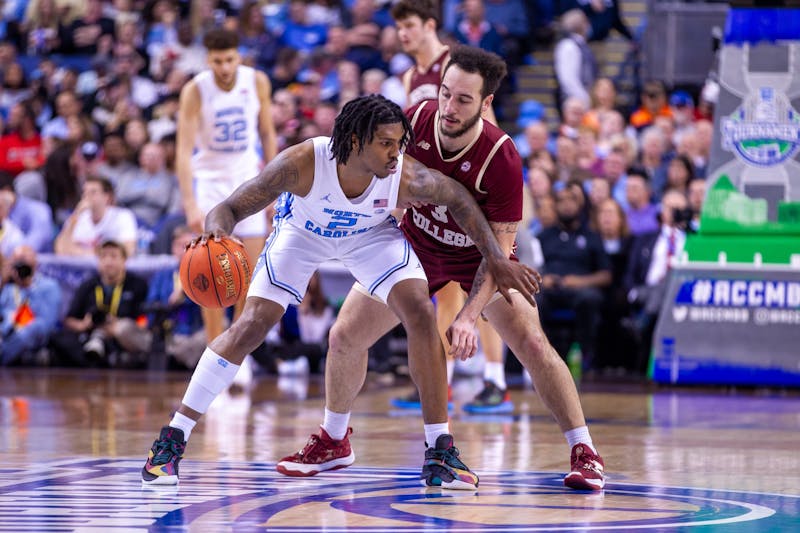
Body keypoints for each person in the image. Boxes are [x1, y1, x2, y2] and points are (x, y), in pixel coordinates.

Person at [141, 94, 539, 488]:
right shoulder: (302, 163)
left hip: (369, 237)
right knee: (253, 323)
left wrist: (497, 258)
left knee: (420, 311)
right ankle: (172, 439)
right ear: (353, 142)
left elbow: (460, 200)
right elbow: (227, 208)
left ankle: (440, 449)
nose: (395, 154)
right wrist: (216, 232)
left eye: (399, 143)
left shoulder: (405, 174)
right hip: (303, 234)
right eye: (385, 143)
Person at [291, 47, 607, 491]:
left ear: (486, 103)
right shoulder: (415, 120)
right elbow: (381, 173)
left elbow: (498, 255)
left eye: (463, 99)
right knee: (344, 335)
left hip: (481, 258)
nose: (449, 107)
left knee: (533, 342)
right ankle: (334, 440)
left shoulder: (502, 158)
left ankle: (585, 451)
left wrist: (466, 316)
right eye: (446, 93)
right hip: (418, 245)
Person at [392, 2, 506, 412]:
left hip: (472, 190)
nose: (403, 35)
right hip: (431, 199)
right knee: (444, 299)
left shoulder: (455, 65)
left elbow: (484, 125)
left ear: (429, 25)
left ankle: (495, 380)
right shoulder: (410, 76)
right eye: (398, 28)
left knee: (487, 291)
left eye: (409, 26)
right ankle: (443, 379)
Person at [176, 28, 278, 348]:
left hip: (249, 180)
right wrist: (191, 203)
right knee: (212, 274)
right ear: (208, 60)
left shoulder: (256, 81)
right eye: (217, 61)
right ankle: (212, 348)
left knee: (247, 275)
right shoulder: (195, 90)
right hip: (210, 182)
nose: (224, 67)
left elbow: (268, 135)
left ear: (239, 57)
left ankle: (236, 351)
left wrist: (276, 188)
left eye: (229, 60)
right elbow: (182, 150)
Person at [49, 240, 150, 367]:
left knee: (124, 330)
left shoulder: (137, 285)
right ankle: (99, 358)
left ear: (124, 260)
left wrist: (116, 324)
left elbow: (144, 321)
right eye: (103, 256)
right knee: (57, 337)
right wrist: (82, 325)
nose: (108, 262)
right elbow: (69, 319)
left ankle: (102, 357)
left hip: (122, 334)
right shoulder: (88, 285)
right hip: (90, 332)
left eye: (113, 256)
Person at [0, 245, 62, 365]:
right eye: (17, 258)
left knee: (28, 330)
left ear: (35, 261)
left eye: (24, 257)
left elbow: (47, 322)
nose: (21, 262)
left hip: (33, 329)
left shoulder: (49, 285)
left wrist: (29, 287)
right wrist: (2, 282)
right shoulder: (8, 286)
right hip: (7, 328)